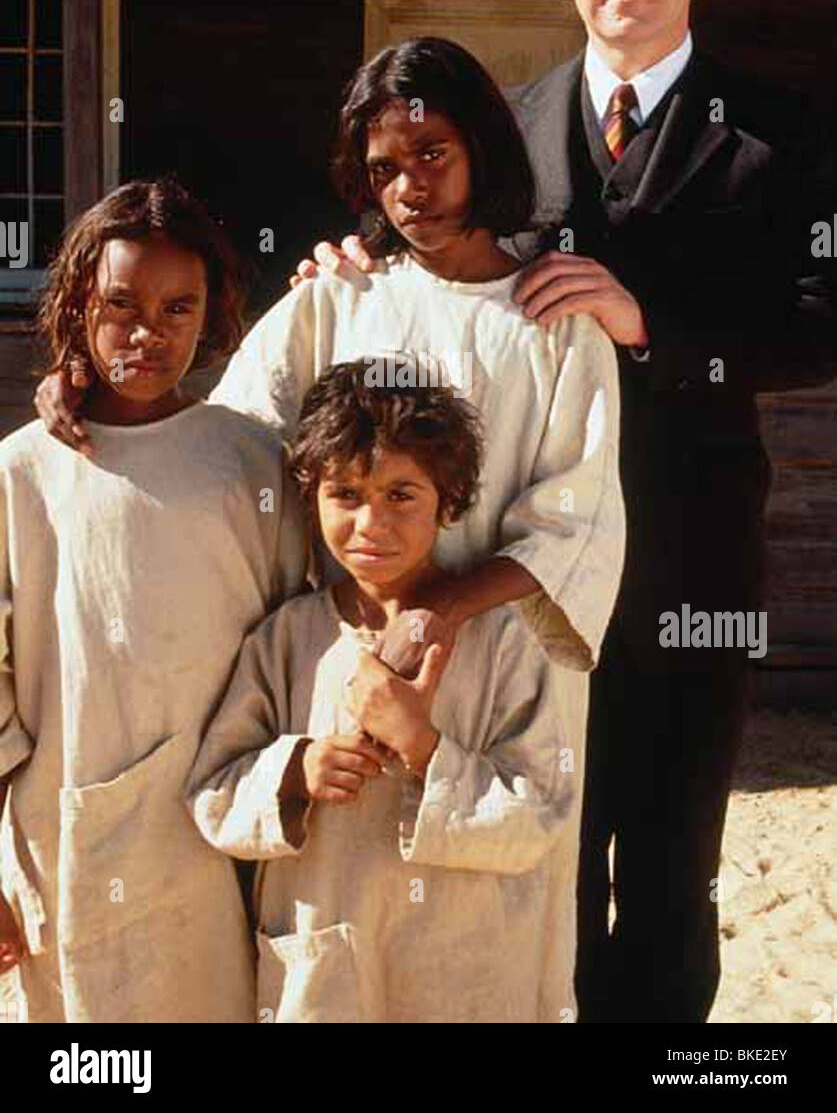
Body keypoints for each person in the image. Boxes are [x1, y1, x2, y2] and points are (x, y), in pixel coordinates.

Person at [282, 0, 837, 1022]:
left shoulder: (784, 133)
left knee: (674, 874)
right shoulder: (508, 129)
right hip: (513, 576)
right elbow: (428, 242)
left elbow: (824, 323)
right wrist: (350, 266)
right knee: (547, 863)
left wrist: (655, 327)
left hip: (690, 565)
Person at [34, 35, 626, 1016]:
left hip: (501, 666)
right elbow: (221, 438)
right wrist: (86, 392)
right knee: (337, 918)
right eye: (384, 168)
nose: (409, 188)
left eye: (432, 152)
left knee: (495, 918)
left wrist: (439, 611)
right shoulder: (341, 298)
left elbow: (578, 516)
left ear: (483, 143)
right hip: (342, 656)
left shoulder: (553, 319)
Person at [0, 179, 306, 1022]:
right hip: (66, 844)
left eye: (179, 308)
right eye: (120, 304)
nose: (146, 333)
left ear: (212, 314)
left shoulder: (251, 462)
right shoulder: (24, 471)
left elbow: (295, 648)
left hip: (225, 842)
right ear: (75, 306)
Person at [187, 362, 575, 1023]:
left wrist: (422, 745)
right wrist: (293, 772)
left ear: (448, 502)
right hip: (327, 969)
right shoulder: (287, 640)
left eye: (401, 495)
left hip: (461, 971)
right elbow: (212, 793)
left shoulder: (497, 642)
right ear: (310, 494)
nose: (371, 524)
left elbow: (540, 814)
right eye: (345, 493)